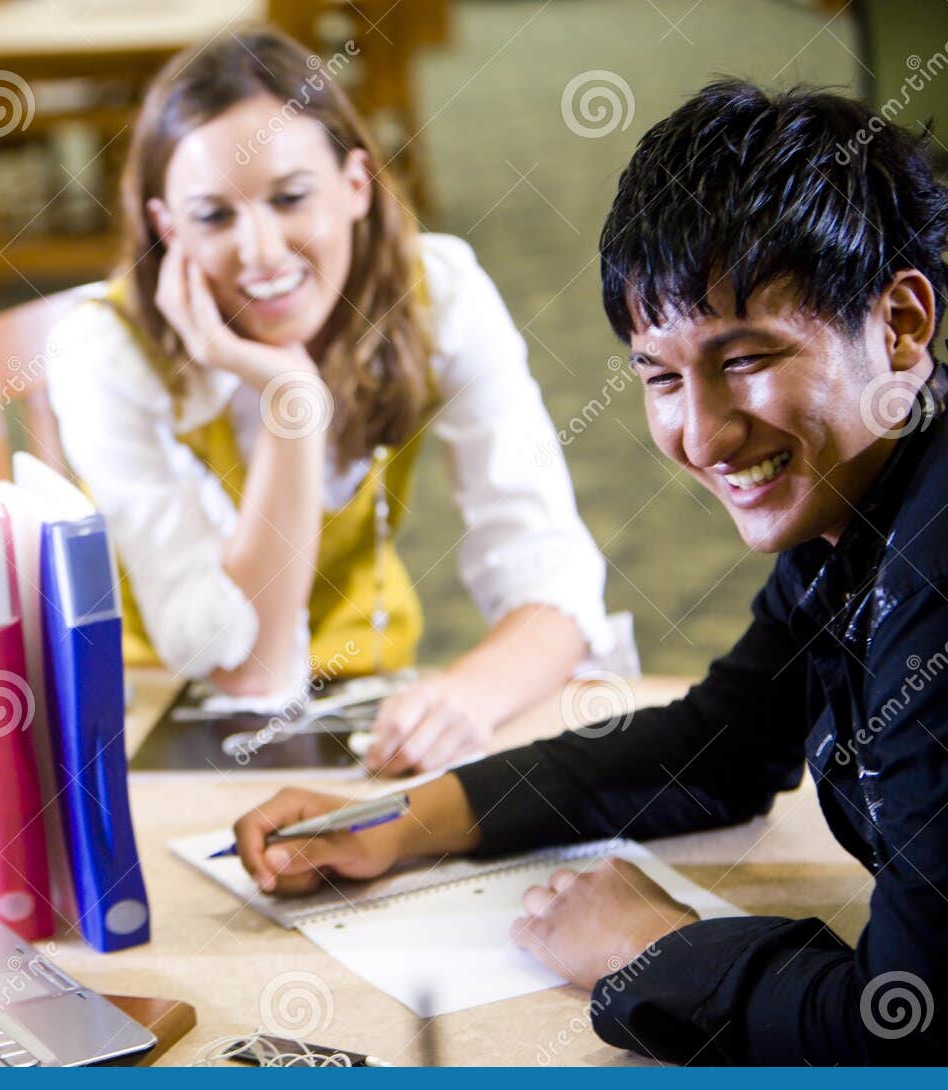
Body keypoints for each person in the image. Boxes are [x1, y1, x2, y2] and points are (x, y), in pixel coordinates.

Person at [233, 80, 948, 1065]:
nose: (700, 434)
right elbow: (720, 744)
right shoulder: (864, 500)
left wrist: (650, 944)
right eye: (660, 375)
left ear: (902, 324)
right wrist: (400, 818)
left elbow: (909, 1031)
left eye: (744, 360)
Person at [47, 29, 633, 776]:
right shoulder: (104, 355)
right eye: (213, 216)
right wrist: (291, 399)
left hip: (364, 700)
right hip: (160, 726)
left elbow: (551, 572)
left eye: (290, 197)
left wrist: (471, 693)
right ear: (167, 228)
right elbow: (246, 672)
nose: (259, 251)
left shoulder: (439, 294)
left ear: (356, 184)